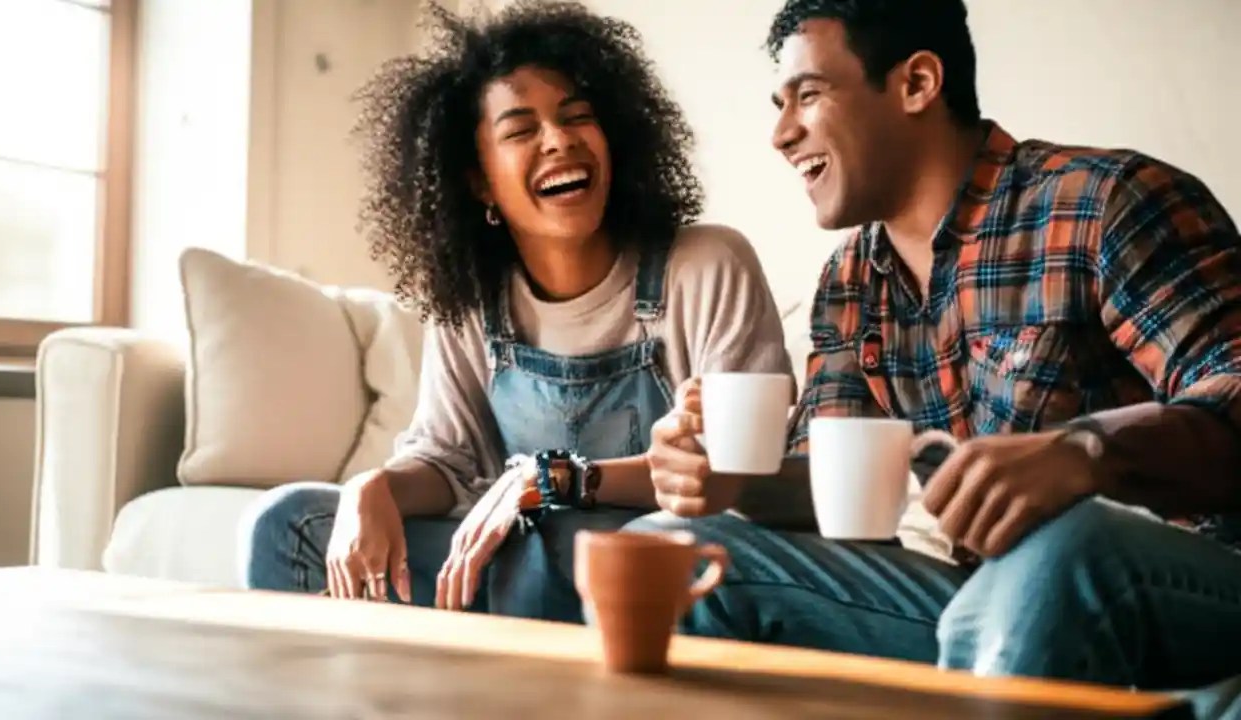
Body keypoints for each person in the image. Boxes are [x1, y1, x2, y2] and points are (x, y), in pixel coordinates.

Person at [639, 0, 1241, 689]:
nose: (780, 133)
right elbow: (830, 488)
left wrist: (1088, 453)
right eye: (778, 104)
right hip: (982, 598)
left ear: (918, 83)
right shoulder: (850, 279)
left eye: (808, 95)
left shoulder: (1104, 204)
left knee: (1065, 547)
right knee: (668, 550)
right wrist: (731, 480)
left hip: (1182, 582)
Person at [239, 0, 792, 624]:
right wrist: (377, 487)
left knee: (544, 540)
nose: (559, 140)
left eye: (578, 117)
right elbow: (449, 463)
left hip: (655, 575)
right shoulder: (473, 297)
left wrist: (557, 480)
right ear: (478, 180)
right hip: (503, 566)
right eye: (521, 130)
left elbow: (735, 469)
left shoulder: (706, 264)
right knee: (289, 524)